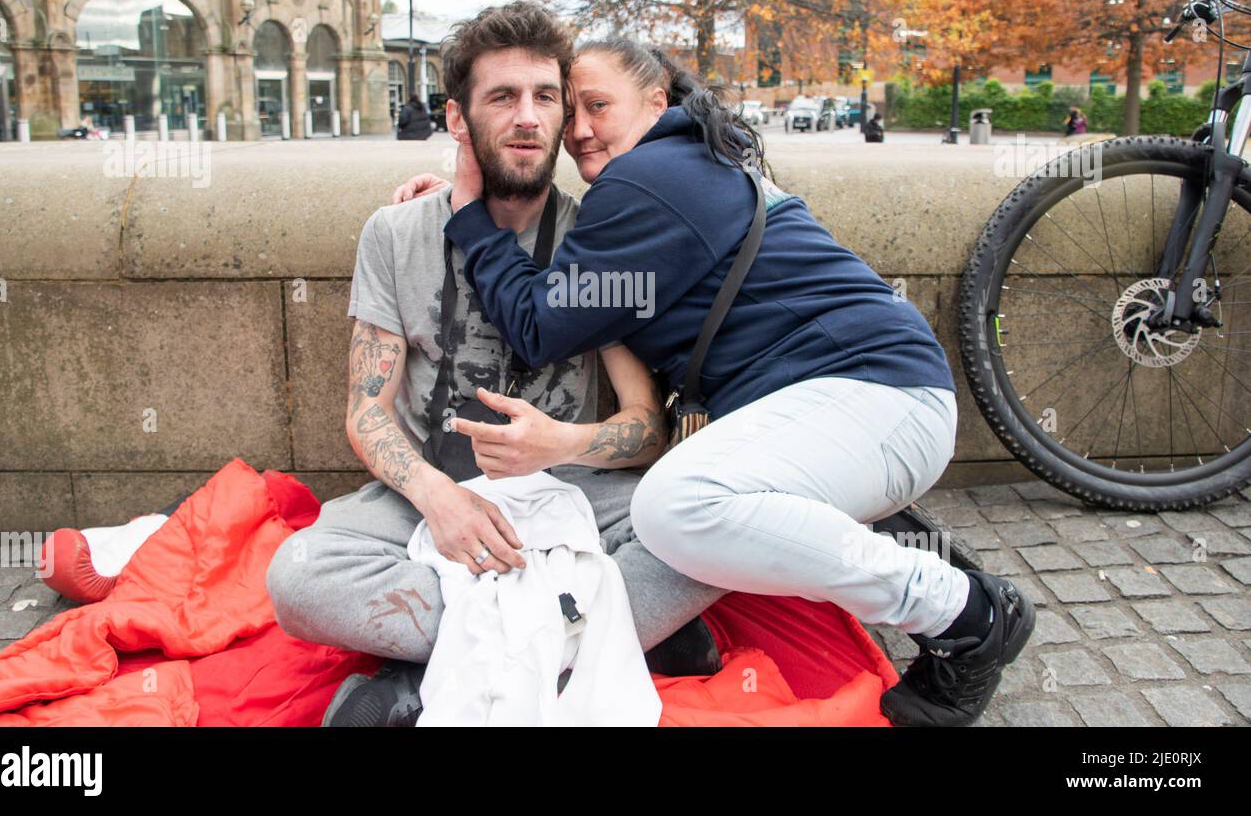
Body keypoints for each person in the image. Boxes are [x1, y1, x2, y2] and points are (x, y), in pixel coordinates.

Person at [421, 37, 1036, 727]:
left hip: (872, 395)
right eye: (573, 114)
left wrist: (470, 212)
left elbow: (537, 326)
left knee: (673, 504)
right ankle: (910, 572)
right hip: (863, 409)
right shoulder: (688, 165)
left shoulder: (648, 178)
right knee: (680, 507)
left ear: (656, 101)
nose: (582, 128)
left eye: (597, 105)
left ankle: (965, 612)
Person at [265, 4, 726, 727]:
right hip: (431, 492)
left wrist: (565, 443)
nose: (529, 118)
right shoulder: (395, 232)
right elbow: (366, 409)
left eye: (547, 97)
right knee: (297, 578)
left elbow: (646, 428)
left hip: (571, 497)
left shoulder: (598, 235)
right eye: (503, 97)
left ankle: (421, 680)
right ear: (457, 117)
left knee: (707, 540)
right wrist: (437, 498)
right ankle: (587, 629)